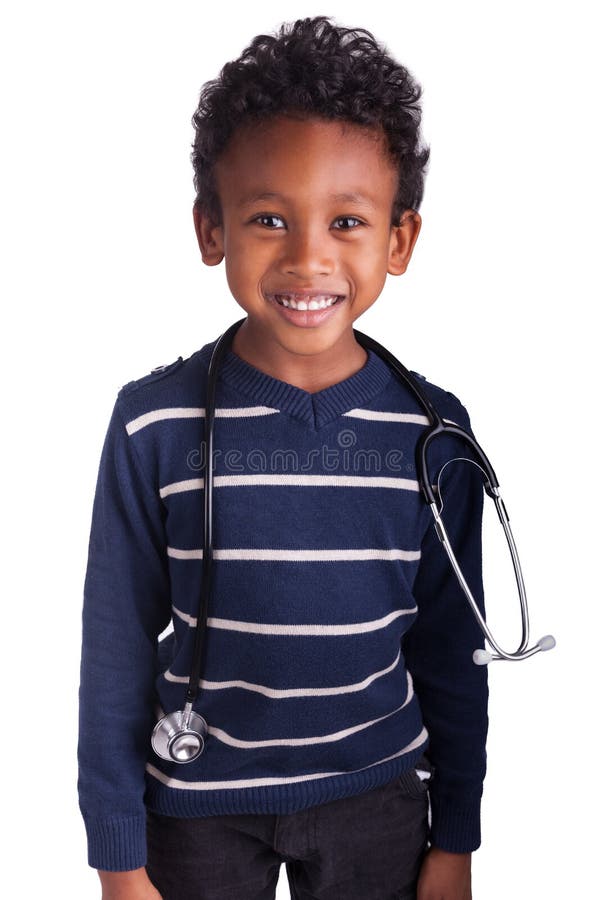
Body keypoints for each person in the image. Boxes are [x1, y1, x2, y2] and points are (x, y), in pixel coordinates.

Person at [77, 15, 488, 900]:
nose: (309, 258)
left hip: (376, 803)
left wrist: (455, 836)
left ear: (400, 241)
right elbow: (112, 650)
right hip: (193, 813)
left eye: (348, 220)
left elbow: (454, 655)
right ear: (210, 229)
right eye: (269, 217)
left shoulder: (436, 438)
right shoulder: (153, 425)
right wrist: (117, 856)